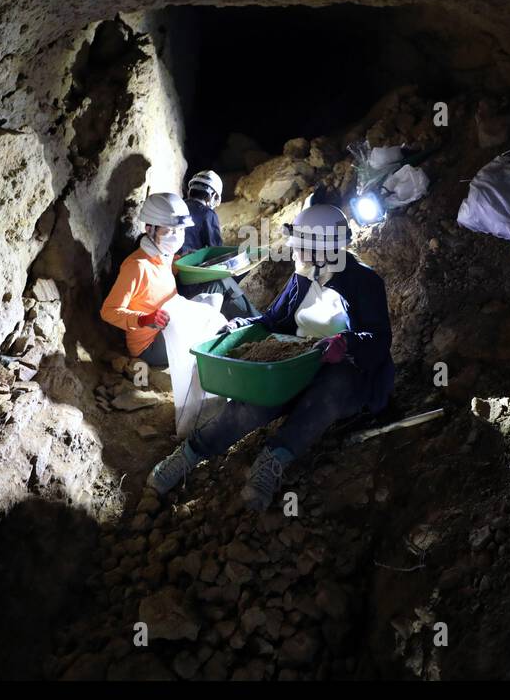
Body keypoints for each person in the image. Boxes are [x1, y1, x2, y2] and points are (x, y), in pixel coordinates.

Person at [146, 203, 395, 510]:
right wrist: (241, 324)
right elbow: (273, 320)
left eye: (302, 245)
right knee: (252, 404)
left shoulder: (364, 282)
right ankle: (190, 454)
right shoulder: (304, 276)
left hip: (344, 369)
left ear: (325, 247)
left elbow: (380, 339)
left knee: (325, 398)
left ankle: (272, 459)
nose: (295, 251)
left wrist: (346, 343)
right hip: (298, 359)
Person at [99, 192, 193, 368]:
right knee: (204, 336)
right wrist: (144, 319)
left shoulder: (163, 254)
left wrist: (186, 262)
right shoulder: (136, 266)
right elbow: (108, 311)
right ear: (149, 229)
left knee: (211, 301)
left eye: (180, 230)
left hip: (169, 327)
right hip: (149, 345)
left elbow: (159, 277)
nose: (176, 236)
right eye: (169, 230)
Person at [176, 169, 258, 321]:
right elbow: (217, 252)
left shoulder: (177, 207)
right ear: (213, 196)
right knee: (226, 281)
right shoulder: (207, 213)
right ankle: (256, 320)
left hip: (175, 283)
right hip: (191, 284)